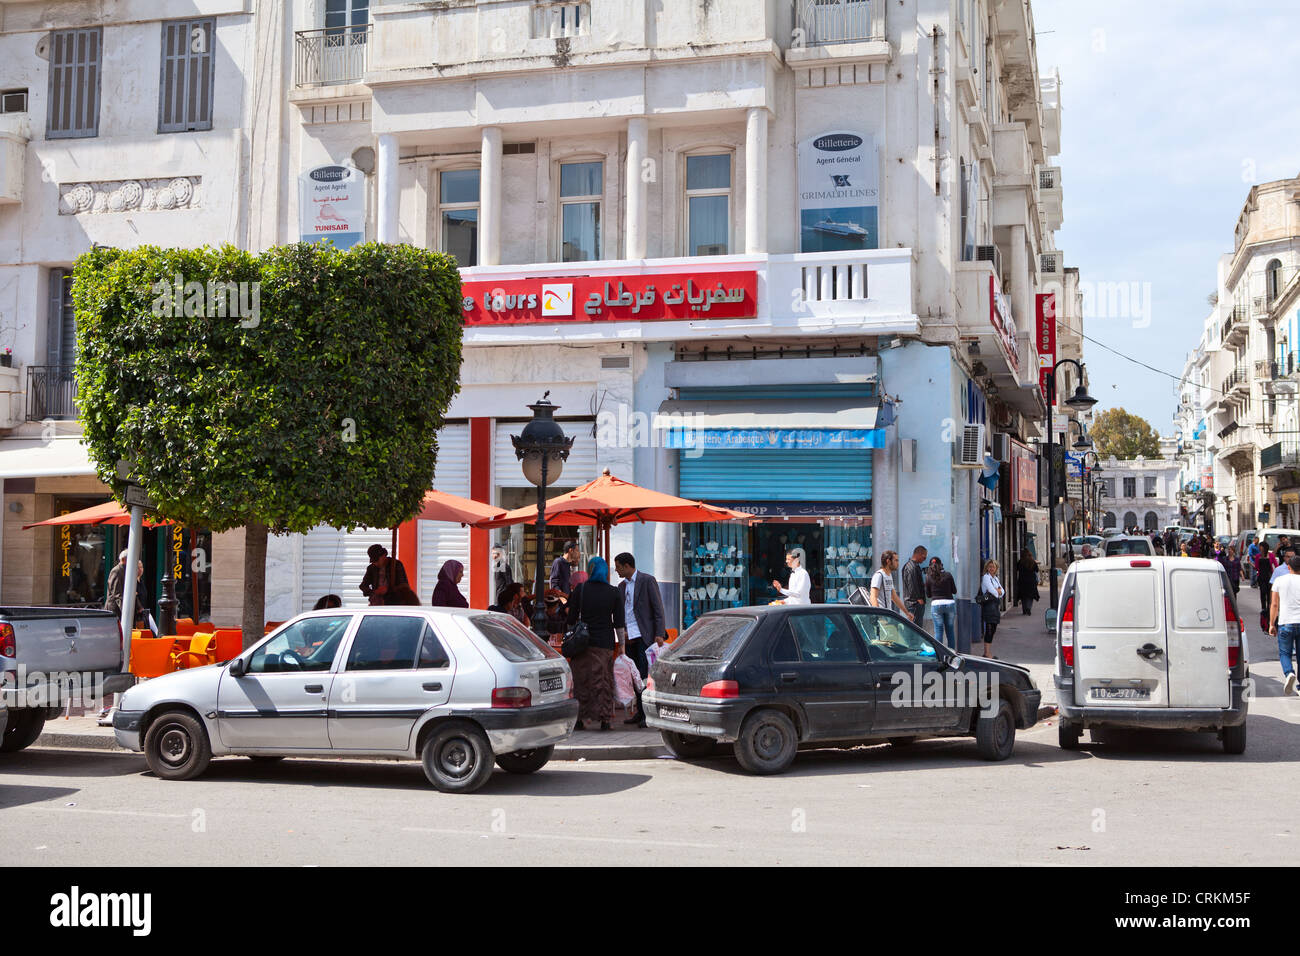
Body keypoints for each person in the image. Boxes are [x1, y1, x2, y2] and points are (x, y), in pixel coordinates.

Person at [567, 556, 625, 731]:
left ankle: (580, 719)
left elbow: (570, 618)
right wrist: (622, 645)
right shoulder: (613, 592)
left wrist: (571, 635)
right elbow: (619, 623)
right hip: (604, 643)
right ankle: (604, 720)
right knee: (603, 681)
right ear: (605, 571)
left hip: (582, 644)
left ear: (590, 570)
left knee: (581, 680)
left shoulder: (581, 589)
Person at [101, 550, 146, 725]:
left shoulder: (127, 571)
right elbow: (117, 594)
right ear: (126, 559)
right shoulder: (117, 570)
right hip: (117, 613)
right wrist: (127, 612)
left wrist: (137, 607)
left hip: (124, 613)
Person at [614, 551, 666, 685]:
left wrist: (659, 633)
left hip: (644, 635)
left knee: (644, 673)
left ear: (626, 566)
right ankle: (638, 702)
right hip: (628, 636)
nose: (616, 570)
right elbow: (621, 611)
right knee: (633, 674)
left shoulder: (647, 580)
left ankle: (642, 704)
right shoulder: (621, 586)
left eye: (618, 567)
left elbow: (658, 608)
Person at [1269, 553, 1300, 697]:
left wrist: (1271, 624)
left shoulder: (1280, 580)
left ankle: (1289, 673)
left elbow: (1274, 604)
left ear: (1288, 567)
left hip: (1285, 622)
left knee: (1285, 653)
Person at [870, 551, 914, 621]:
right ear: (888, 561)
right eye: (896, 560)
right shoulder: (879, 575)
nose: (898, 563)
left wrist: (907, 613)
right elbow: (873, 596)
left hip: (887, 616)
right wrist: (878, 616)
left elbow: (894, 597)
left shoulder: (889, 575)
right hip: (881, 617)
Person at [925, 557, 958, 648]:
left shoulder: (928, 576)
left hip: (936, 605)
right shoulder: (948, 575)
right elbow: (954, 591)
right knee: (950, 631)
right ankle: (951, 654)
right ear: (941, 565)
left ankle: (939, 655)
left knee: (938, 631)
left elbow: (928, 595)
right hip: (949, 604)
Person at [612, 644, 646, 727]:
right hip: (630, 641)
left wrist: (659, 634)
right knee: (633, 677)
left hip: (643, 640)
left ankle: (646, 715)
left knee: (643, 677)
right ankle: (640, 712)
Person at [977, 559, 1004, 659]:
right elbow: (994, 592)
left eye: (993, 567)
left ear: (996, 568)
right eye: (990, 566)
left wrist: (998, 592)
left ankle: (987, 652)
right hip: (988, 607)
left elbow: (1003, 592)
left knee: (993, 629)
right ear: (987, 568)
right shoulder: (986, 578)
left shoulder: (995, 578)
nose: (991, 568)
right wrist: (998, 591)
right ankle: (987, 653)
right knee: (989, 629)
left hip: (995, 607)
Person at [900, 546, 928, 631]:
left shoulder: (910, 566)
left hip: (912, 603)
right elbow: (912, 585)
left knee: (914, 630)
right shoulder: (912, 567)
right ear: (919, 554)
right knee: (916, 631)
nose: (924, 559)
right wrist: (919, 598)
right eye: (924, 557)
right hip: (914, 604)